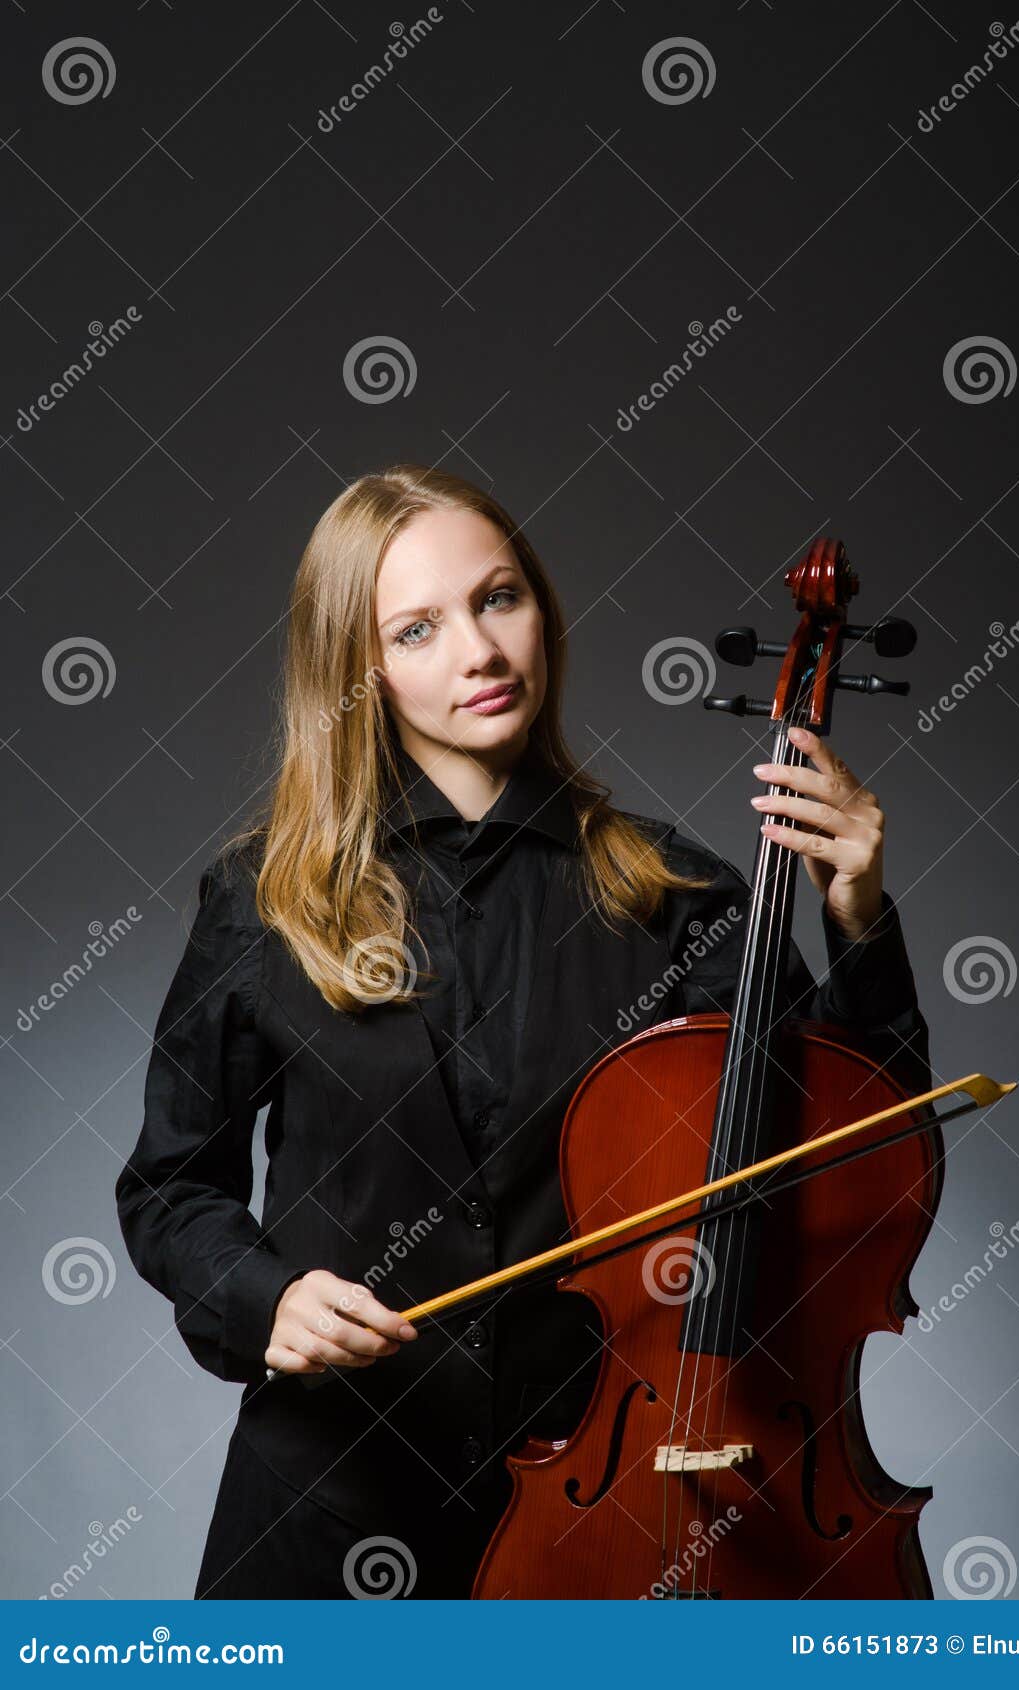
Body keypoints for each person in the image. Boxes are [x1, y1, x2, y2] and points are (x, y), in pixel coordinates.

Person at [114, 463, 931, 1600]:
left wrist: (855, 918)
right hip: (331, 1501)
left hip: (617, 1511)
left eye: (498, 599)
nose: (480, 653)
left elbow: (854, 1167)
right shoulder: (263, 901)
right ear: (363, 670)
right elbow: (170, 1189)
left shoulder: (680, 896)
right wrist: (267, 1296)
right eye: (417, 628)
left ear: (541, 607)